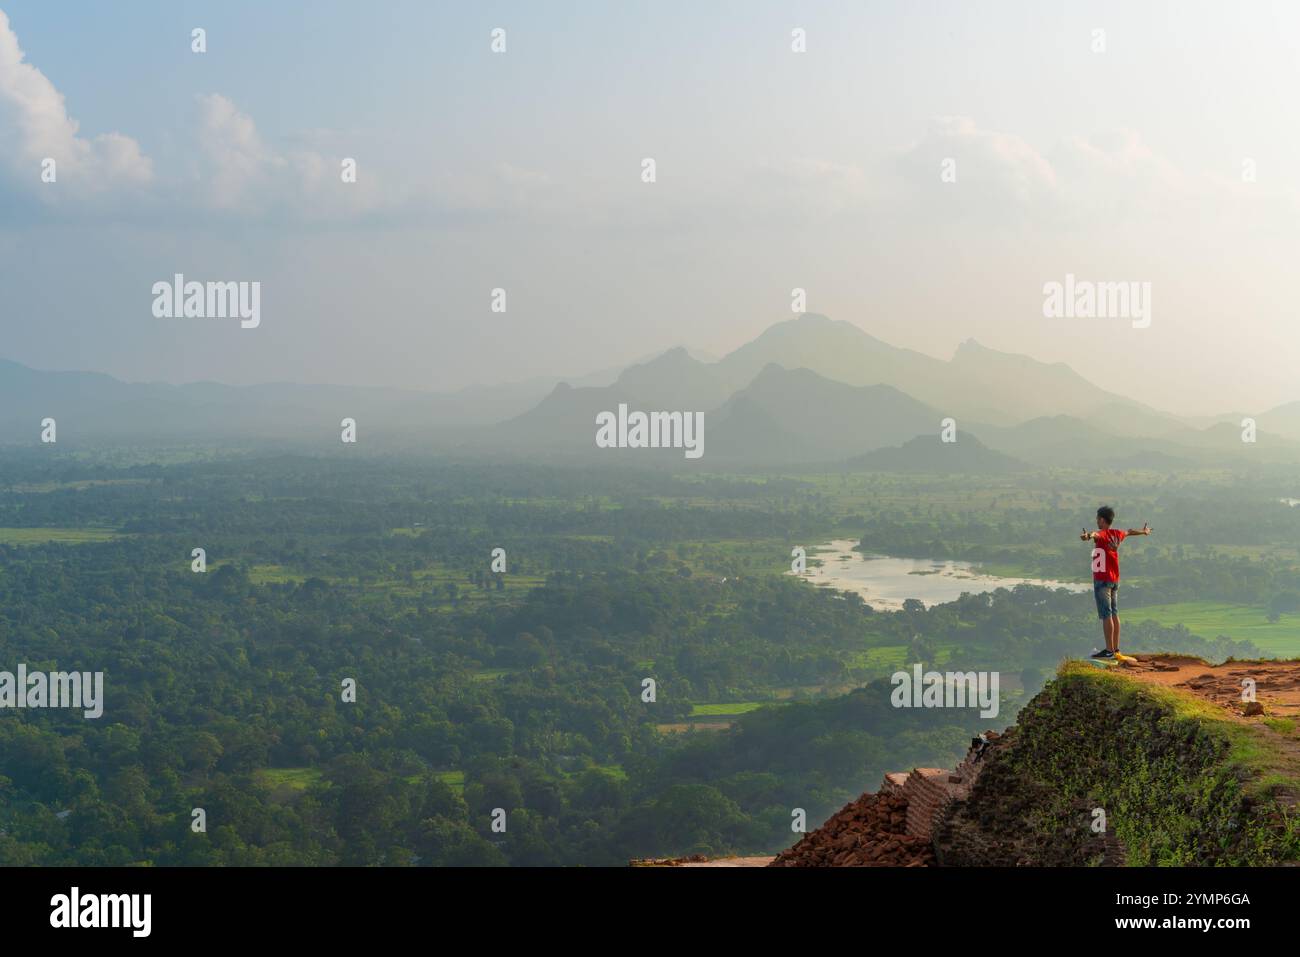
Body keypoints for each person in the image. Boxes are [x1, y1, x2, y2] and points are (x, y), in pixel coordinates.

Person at [1080, 506, 1151, 659]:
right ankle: (1116, 649)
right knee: (1114, 613)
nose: (1096, 521)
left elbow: (1093, 535)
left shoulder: (1102, 534)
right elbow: (1129, 531)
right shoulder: (1117, 534)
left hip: (1102, 579)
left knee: (1106, 615)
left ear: (1102, 520)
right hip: (1114, 579)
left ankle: (1109, 650)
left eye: (1098, 518)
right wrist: (1144, 532)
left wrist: (1087, 536)